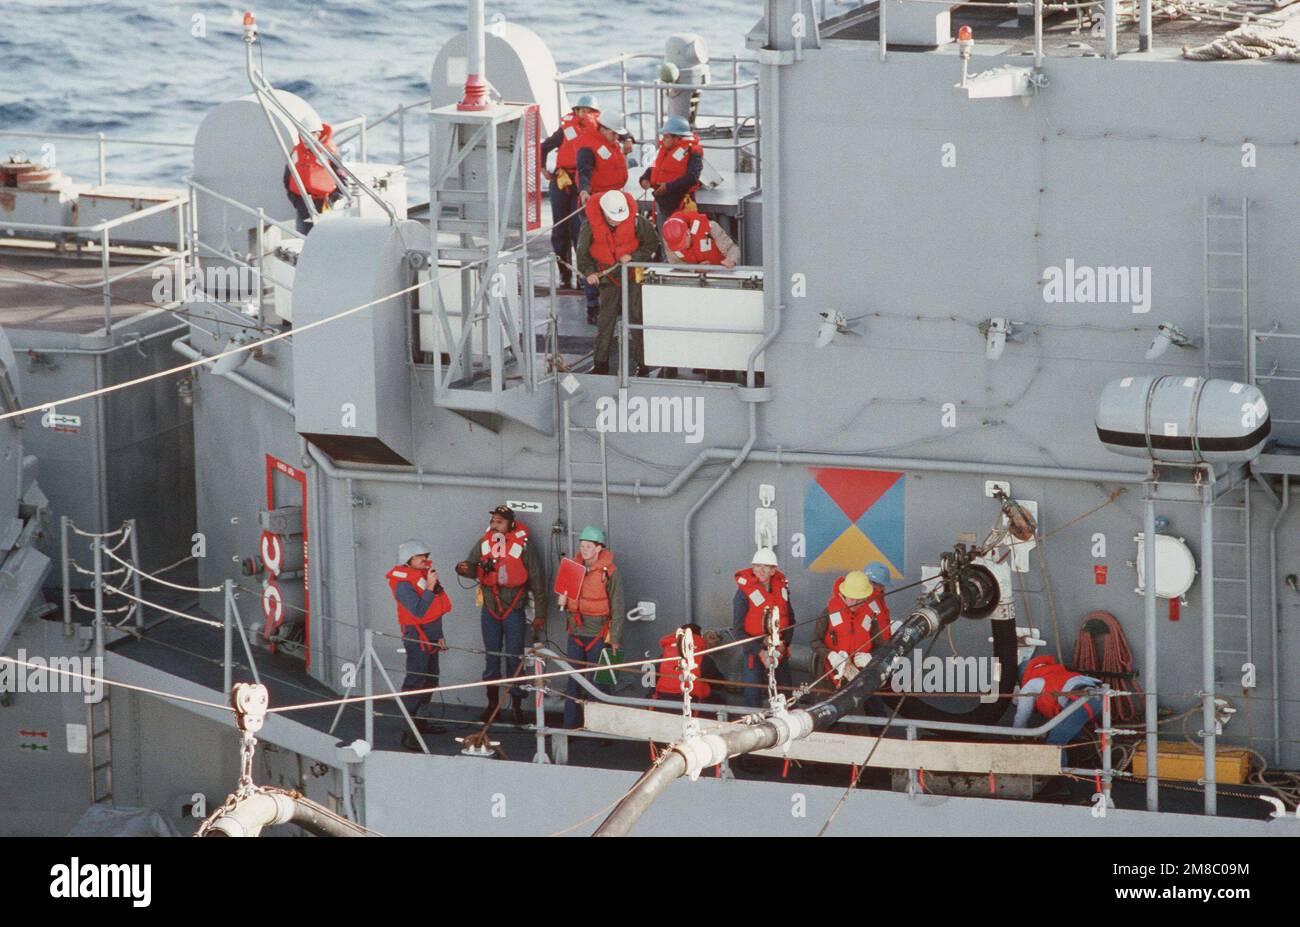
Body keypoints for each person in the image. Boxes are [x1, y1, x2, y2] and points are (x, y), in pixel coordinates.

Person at [454, 505, 548, 724]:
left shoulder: (524, 546)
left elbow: (537, 580)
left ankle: (517, 707)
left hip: (513, 609)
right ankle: (492, 705)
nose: (495, 524)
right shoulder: (485, 542)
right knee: (492, 656)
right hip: (490, 609)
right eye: (494, 521)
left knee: (515, 657)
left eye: (500, 521)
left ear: (510, 524)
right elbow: (471, 565)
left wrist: (540, 614)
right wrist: (463, 569)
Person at [575, 190, 660, 376]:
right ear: (604, 213)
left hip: (632, 276)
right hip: (609, 279)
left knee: (637, 318)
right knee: (605, 320)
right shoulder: (589, 227)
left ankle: (643, 363)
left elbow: (652, 244)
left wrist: (634, 257)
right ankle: (600, 364)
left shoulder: (638, 222)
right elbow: (582, 255)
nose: (618, 221)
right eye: (613, 218)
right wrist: (589, 273)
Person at [557, 525, 625, 730]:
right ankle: (570, 725)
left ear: (598, 548)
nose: (584, 549)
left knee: (601, 683)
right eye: (582, 545)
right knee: (573, 681)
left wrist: (615, 639)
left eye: (589, 546)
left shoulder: (610, 573)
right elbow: (562, 599)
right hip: (576, 632)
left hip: (599, 634)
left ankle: (602, 728)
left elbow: (618, 606)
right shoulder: (572, 568)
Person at [386, 540, 452, 750]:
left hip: (430, 635)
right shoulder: (403, 584)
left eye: (426, 555)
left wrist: (438, 634)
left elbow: (434, 609)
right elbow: (418, 611)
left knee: (431, 679)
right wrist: (431, 587)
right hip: (416, 637)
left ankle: (420, 723)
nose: (425, 559)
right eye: (420, 557)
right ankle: (409, 731)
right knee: (415, 680)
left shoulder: (421, 577)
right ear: (408, 560)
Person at [540, 95, 601, 293]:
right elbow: (545, 146)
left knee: (579, 232)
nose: (584, 114)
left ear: (595, 114)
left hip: (582, 184)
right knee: (559, 231)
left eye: (588, 110)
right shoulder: (566, 130)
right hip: (561, 181)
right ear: (575, 112)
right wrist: (543, 169)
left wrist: (627, 141)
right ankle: (565, 275)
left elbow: (619, 137)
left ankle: (583, 274)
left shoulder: (599, 131)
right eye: (580, 110)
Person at [731, 547, 794, 709]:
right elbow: (737, 630)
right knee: (752, 694)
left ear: (773, 570)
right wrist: (760, 652)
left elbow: (791, 620)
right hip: (754, 650)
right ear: (752, 568)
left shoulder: (782, 589)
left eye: (766, 566)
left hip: (778, 648)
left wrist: (783, 645)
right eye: (757, 566)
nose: (761, 570)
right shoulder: (743, 594)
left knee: (784, 692)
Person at [810, 567, 892, 689]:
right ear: (844, 594)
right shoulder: (828, 613)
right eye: (851, 598)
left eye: (859, 599)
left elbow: (880, 646)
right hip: (828, 678)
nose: (855, 603)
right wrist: (831, 656)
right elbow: (814, 640)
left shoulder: (871, 616)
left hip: (856, 679)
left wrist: (870, 657)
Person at [1013, 654, 1101, 746]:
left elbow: (1023, 712)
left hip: (1080, 701)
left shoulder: (1032, 683)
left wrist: (1017, 733)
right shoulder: (1056, 672)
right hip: (1099, 695)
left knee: (1054, 745)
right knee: (1071, 734)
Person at [639, 115, 703, 228]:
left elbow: (692, 177)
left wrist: (668, 187)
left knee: (679, 239)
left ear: (677, 138)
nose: (663, 139)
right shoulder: (664, 150)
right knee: (663, 236)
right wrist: (644, 178)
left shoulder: (693, 152)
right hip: (663, 203)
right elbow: (654, 168)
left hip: (681, 203)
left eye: (666, 136)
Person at [284, 114, 344, 233]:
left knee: (324, 236)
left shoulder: (328, 153)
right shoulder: (296, 152)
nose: (305, 138)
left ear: (318, 134)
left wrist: (332, 199)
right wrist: (295, 200)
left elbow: (342, 181)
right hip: (302, 203)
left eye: (310, 134)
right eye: (303, 134)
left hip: (324, 204)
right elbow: (287, 178)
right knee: (303, 238)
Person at [652, 623, 724, 708]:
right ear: (699, 637)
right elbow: (719, 685)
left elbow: (655, 678)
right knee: (721, 702)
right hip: (692, 702)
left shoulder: (664, 656)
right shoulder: (703, 659)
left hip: (663, 700)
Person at [662, 210, 739, 268]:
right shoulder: (669, 238)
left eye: (683, 243)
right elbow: (676, 264)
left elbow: (732, 248)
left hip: (720, 274)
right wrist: (695, 269)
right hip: (692, 281)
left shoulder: (710, 227)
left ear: (688, 233)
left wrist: (731, 260)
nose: (682, 247)